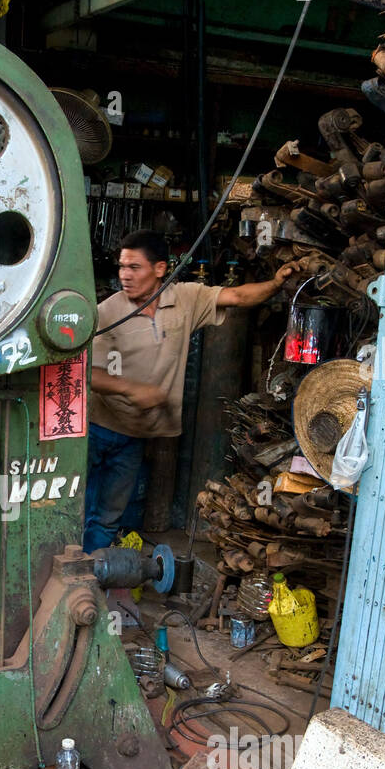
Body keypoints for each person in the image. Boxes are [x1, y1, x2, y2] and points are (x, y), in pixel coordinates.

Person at [84, 230, 298, 553]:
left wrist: (276, 284)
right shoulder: (109, 312)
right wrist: (130, 389)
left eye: (134, 268)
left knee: (108, 519)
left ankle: (91, 580)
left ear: (160, 269)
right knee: (77, 512)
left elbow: (237, 297)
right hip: (96, 429)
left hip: (134, 437)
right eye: (121, 267)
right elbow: (86, 373)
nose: (124, 276)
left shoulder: (184, 298)